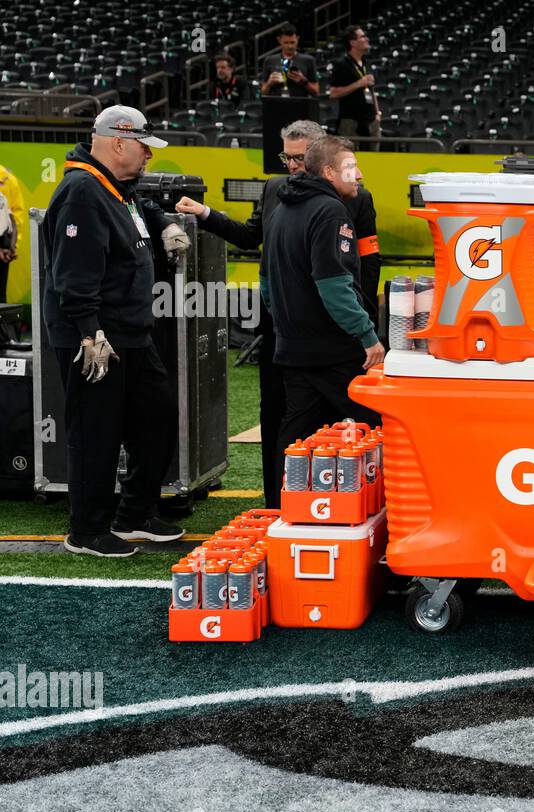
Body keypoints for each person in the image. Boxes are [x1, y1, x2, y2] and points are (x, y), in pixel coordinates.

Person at [175, 120, 380, 507]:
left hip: (322, 329)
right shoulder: (280, 193)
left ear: (320, 159)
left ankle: (322, 505)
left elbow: (366, 265)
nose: (292, 165)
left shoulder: (353, 197)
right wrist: (206, 214)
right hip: (299, 330)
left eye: (300, 157)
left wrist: (359, 322)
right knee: (292, 415)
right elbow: (261, 246)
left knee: (309, 420)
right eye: (287, 157)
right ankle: (285, 505)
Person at [40, 106, 191, 557]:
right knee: (96, 432)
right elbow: (74, 275)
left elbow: (140, 205)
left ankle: (134, 515)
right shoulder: (82, 191)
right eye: (143, 145)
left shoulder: (112, 187)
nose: (148, 154)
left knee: (157, 417)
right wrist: (90, 333)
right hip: (96, 338)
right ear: (118, 143)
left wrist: (163, 224)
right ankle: (86, 531)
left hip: (129, 332)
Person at [261, 135, 383, 458]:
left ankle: (280, 505)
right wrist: (368, 335)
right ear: (329, 172)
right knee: (374, 424)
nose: (358, 175)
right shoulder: (331, 212)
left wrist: (289, 325)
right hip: (333, 351)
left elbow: (265, 283)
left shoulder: (279, 209)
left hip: (292, 348)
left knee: (296, 437)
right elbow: (334, 288)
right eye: (351, 167)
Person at [330, 25, 381, 141]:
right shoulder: (342, 65)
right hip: (350, 121)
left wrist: (377, 113)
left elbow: (372, 90)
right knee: (350, 157)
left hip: (371, 120)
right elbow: (333, 93)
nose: (367, 39)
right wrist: (358, 83)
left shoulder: (366, 63)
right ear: (352, 42)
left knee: (375, 157)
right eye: (362, 37)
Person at [260, 23, 318, 99]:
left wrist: (304, 81)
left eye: (292, 42)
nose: (290, 46)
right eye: (286, 43)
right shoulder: (269, 60)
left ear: (297, 39)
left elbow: (316, 92)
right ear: (279, 40)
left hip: (300, 105)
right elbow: (263, 92)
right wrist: (269, 83)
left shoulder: (308, 60)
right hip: (276, 105)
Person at [0, 161, 24, 302]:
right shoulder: (8, 179)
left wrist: (11, 246)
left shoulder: (9, 180)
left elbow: (16, 217)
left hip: (3, 250)